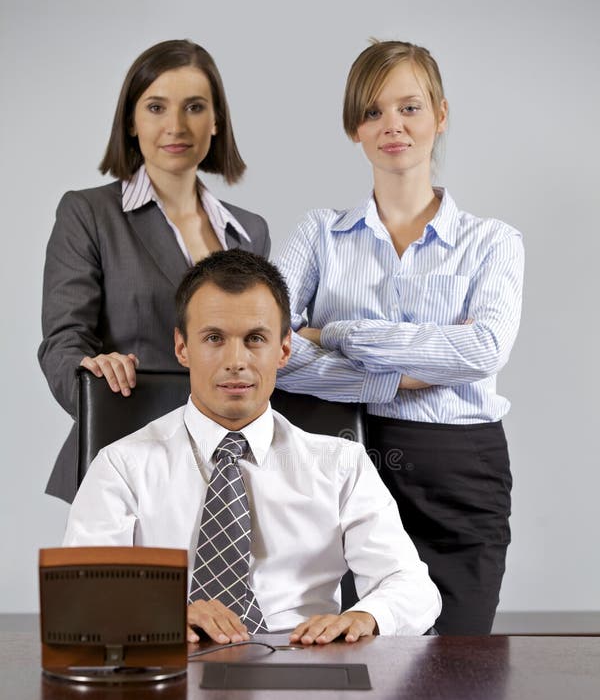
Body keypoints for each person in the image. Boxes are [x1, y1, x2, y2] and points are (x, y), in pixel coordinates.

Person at [63, 249, 441, 644]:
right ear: (182, 347)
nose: (236, 361)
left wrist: (368, 614)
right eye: (214, 338)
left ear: (283, 350)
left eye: (255, 339)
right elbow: (79, 596)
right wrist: (162, 612)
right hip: (167, 658)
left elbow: (412, 585)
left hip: (300, 666)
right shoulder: (122, 464)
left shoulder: (341, 464)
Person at [275, 40, 524, 636]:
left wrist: (334, 332)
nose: (393, 126)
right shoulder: (318, 234)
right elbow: (269, 348)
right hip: (342, 455)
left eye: (410, 107)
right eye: (373, 111)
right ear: (354, 129)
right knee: (355, 673)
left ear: (440, 115)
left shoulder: (493, 242)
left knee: (459, 681)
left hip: (461, 469)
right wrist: (418, 365)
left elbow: (484, 349)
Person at [39, 39, 270, 503]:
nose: (176, 126)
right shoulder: (88, 213)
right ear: (131, 120)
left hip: (227, 467)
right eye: (156, 107)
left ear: (216, 120)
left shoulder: (250, 232)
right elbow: (63, 343)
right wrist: (91, 379)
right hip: (125, 457)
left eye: (195, 107)